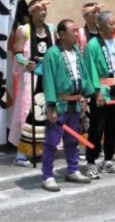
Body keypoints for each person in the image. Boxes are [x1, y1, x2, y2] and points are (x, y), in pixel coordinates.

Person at [40, 19, 93, 192]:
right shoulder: (52, 54)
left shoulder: (77, 52)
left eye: (77, 30)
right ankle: (47, 175)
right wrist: (51, 106)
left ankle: (73, 170)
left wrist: (85, 96)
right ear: (61, 34)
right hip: (60, 103)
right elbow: (48, 80)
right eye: (73, 31)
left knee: (72, 140)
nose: (76, 34)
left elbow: (84, 75)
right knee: (52, 141)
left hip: (75, 103)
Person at [83, 10, 115, 178]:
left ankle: (109, 158)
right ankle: (91, 161)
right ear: (100, 27)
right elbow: (91, 69)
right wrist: (97, 92)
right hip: (101, 90)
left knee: (114, 125)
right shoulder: (93, 45)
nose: (114, 27)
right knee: (97, 127)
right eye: (111, 24)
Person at [10, 0, 55, 167]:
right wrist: (25, 62)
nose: (43, 12)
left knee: (46, 110)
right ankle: (21, 153)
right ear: (32, 12)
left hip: (49, 75)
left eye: (44, 9)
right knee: (27, 111)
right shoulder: (24, 30)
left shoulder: (51, 29)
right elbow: (18, 52)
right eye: (39, 10)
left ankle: (43, 149)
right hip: (31, 75)